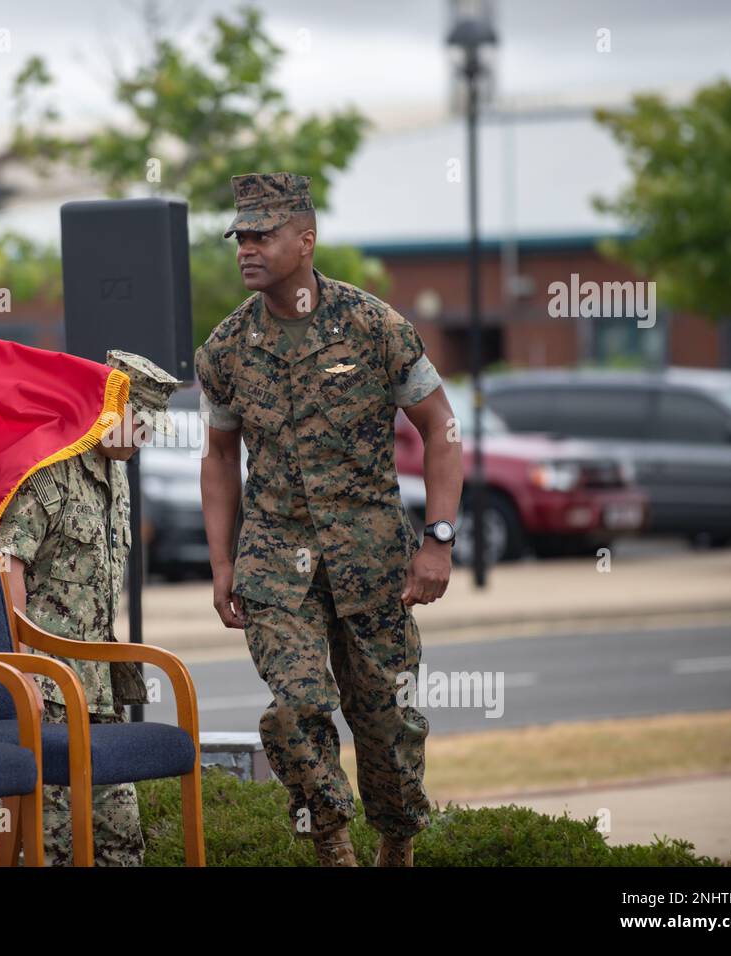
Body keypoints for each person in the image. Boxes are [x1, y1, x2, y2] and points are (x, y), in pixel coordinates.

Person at [195, 172, 463, 867]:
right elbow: (220, 457)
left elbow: (441, 428)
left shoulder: (375, 327)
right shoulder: (226, 349)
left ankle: (396, 843)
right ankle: (330, 840)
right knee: (295, 706)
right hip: (274, 557)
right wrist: (223, 564)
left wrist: (438, 540)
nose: (246, 249)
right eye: (240, 237)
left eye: (262, 235)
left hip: (372, 555)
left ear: (305, 239)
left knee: (385, 719)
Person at [0, 349, 180, 866]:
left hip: (97, 686)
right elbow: (7, 566)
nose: (145, 437)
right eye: (140, 423)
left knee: (120, 841)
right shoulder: (50, 468)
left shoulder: (115, 473)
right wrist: (21, 665)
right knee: (47, 841)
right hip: (48, 685)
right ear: (111, 409)